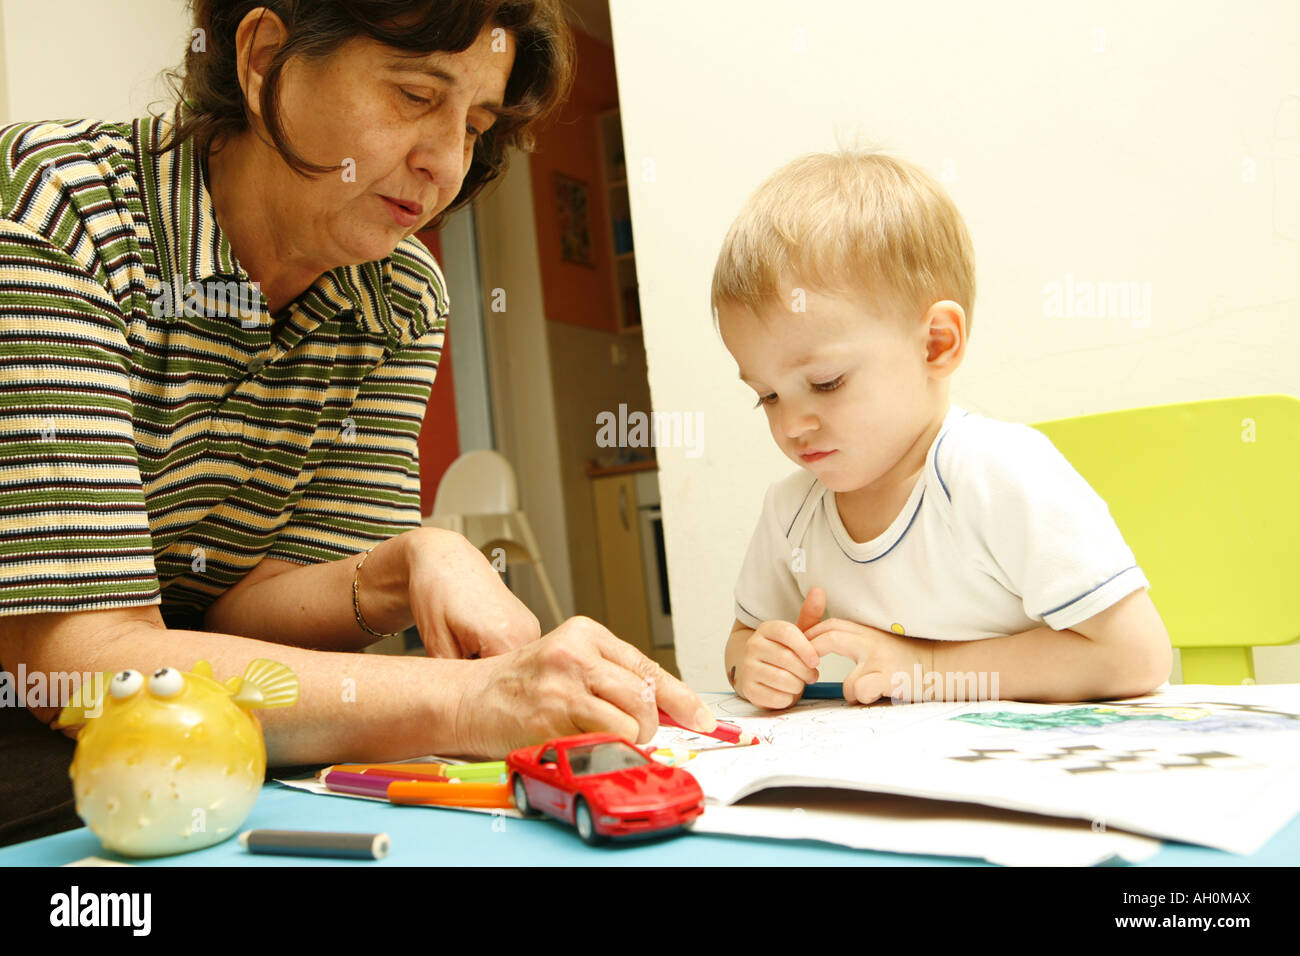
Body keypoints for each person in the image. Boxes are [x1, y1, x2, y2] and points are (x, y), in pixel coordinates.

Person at [0, 0, 712, 847]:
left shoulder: (399, 298)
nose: (446, 163)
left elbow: (248, 608)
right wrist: (481, 699)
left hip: (179, 720)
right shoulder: (56, 207)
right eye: (415, 95)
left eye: (476, 125)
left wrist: (407, 561)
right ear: (267, 58)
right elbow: (71, 662)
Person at [713, 151, 1172, 709]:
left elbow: (1135, 655)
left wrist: (927, 669)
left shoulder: (999, 471)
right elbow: (742, 642)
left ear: (936, 344)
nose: (791, 424)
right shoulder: (791, 512)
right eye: (766, 395)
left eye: (827, 382)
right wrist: (755, 665)